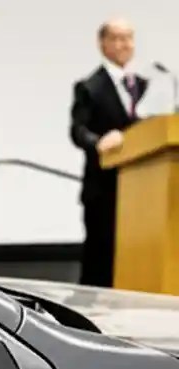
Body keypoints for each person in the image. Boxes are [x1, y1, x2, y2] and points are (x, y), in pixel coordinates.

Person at [70, 18, 149, 287]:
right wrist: (98, 141)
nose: (123, 44)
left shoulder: (145, 85)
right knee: (100, 261)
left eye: (128, 37)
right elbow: (78, 130)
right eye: (116, 38)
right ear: (102, 44)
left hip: (143, 192)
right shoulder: (89, 86)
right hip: (104, 190)